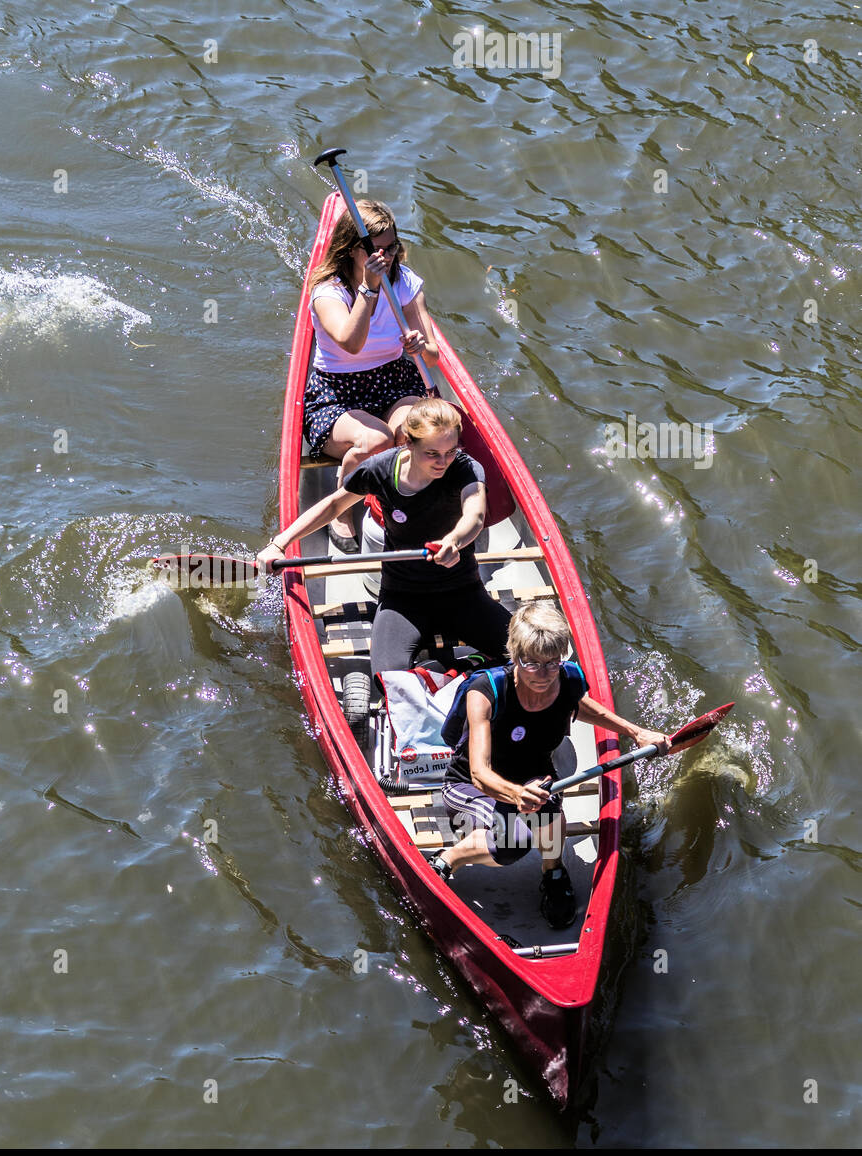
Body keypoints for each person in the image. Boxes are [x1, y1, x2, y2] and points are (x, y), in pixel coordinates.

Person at [430, 601, 670, 929]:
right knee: (512, 846)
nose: (543, 675)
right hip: (471, 787)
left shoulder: (567, 679)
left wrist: (637, 732)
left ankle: (553, 871)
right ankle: (449, 859)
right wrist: (516, 794)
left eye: (552, 663)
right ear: (514, 654)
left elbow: (582, 707)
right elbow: (479, 773)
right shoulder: (485, 692)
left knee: (549, 807)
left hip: (534, 777)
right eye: (531, 664)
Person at [258, 397, 512, 675]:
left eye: (450, 451)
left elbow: (474, 516)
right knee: (387, 680)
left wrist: (453, 542)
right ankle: (457, 671)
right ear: (408, 443)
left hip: (462, 591)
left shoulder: (466, 468)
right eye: (432, 453)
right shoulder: (380, 468)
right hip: (404, 596)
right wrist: (278, 544)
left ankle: (460, 668)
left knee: (525, 658)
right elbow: (333, 505)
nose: (443, 462)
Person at [304, 199, 439, 551]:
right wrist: (370, 287)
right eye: (376, 250)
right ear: (352, 251)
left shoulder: (406, 283)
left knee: (418, 435)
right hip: (338, 391)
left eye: (392, 247)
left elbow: (434, 355)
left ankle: (401, 504)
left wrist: (419, 346)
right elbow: (351, 343)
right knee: (375, 442)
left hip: (393, 380)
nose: (387, 256)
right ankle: (341, 509)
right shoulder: (328, 292)